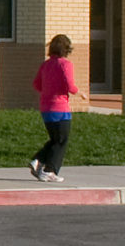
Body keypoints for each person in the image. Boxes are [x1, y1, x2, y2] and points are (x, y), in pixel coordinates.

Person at [29, 34, 86, 182]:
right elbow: (70, 85)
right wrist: (80, 93)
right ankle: (49, 170)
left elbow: (36, 84)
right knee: (62, 140)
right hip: (60, 108)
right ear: (66, 49)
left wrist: (49, 90)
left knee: (55, 139)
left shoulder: (46, 64)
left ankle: (38, 159)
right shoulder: (65, 64)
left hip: (45, 107)